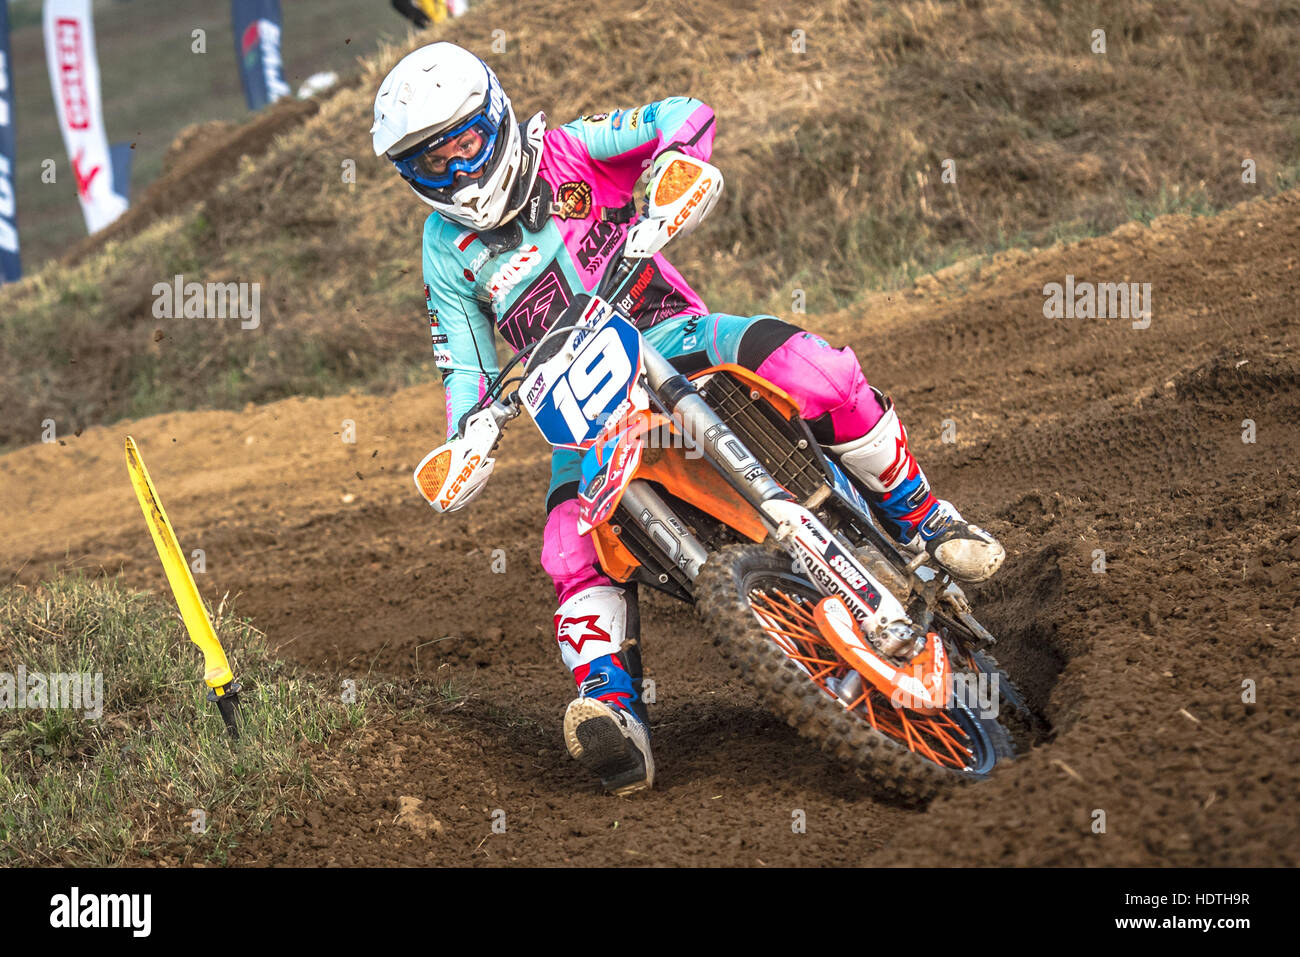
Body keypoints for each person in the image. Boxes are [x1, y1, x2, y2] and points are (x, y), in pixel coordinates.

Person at [371, 42, 1005, 795]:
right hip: (579, 406)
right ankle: (614, 714)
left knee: (821, 371)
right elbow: (467, 364)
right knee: (566, 550)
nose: (455, 172)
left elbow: (684, 115)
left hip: (672, 335)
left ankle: (927, 519)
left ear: (496, 115)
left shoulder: (569, 148)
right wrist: (469, 429)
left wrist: (674, 171)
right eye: (428, 163)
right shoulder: (446, 249)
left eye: (464, 144)